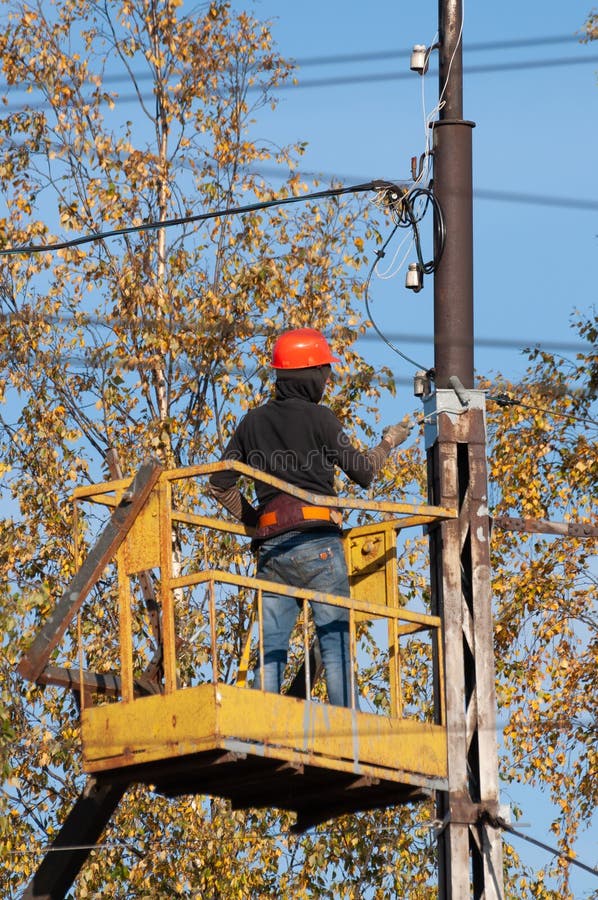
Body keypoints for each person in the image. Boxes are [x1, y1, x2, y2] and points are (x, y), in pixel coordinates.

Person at [208, 327, 411, 708]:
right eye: (324, 371)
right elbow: (364, 472)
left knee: (271, 651)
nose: (329, 379)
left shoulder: (251, 423)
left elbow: (219, 484)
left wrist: (256, 521)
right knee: (334, 643)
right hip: (317, 545)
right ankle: (346, 735)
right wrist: (388, 442)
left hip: (271, 551)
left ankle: (263, 732)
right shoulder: (321, 419)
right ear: (310, 375)